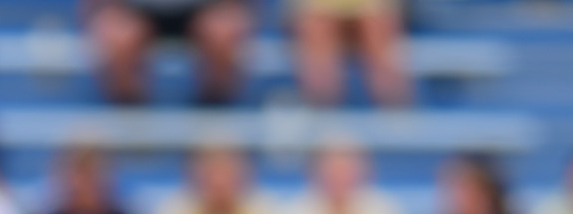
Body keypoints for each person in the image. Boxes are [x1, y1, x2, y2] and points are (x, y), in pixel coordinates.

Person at [85, 0, 250, 105]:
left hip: (205, 7)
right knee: (118, 37)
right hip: (135, 9)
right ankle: (129, 112)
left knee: (222, 31)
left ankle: (214, 107)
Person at [287, 0, 410, 107]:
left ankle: (396, 120)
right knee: (316, 34)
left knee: (377, 30)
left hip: (374, 9)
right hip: (317, 9)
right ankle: (322, 116)